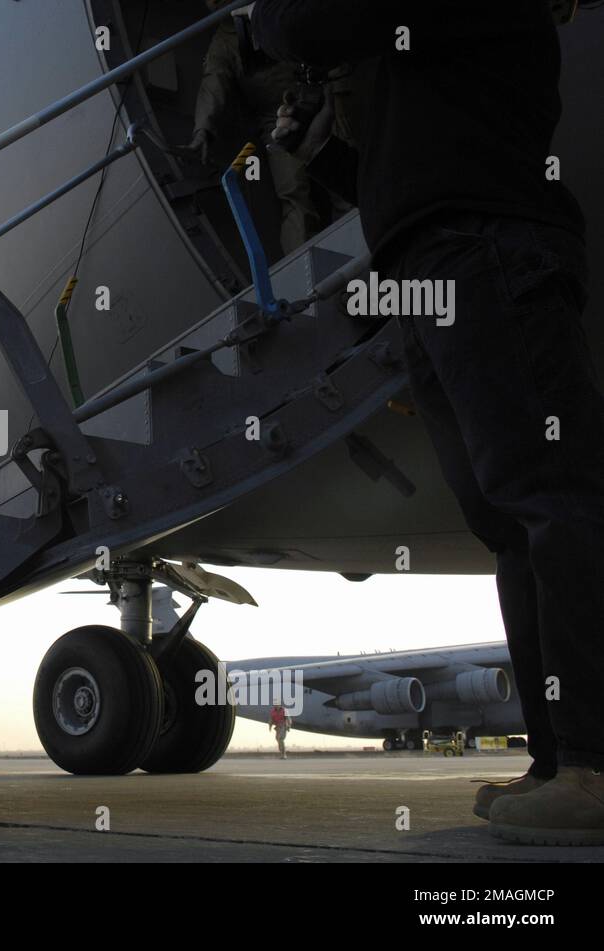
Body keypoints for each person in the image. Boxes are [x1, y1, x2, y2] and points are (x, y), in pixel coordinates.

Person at [252, 1, 604, 844]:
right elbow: (417, 169)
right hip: (431, 257)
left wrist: (267, 19)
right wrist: (325, 154)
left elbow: (313, 23)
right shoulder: (439, 59)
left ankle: (595, 764)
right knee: (507, 520)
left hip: (485, 245)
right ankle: (561, 761)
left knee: (549, 496)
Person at [175, 0, 324, 254]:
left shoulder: (268, 9)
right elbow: (214, 84)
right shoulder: (224, 43)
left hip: (319, 92)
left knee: (347, 184)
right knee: (294, 194)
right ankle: (307, 276)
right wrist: (202, 131)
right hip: (276, 119)